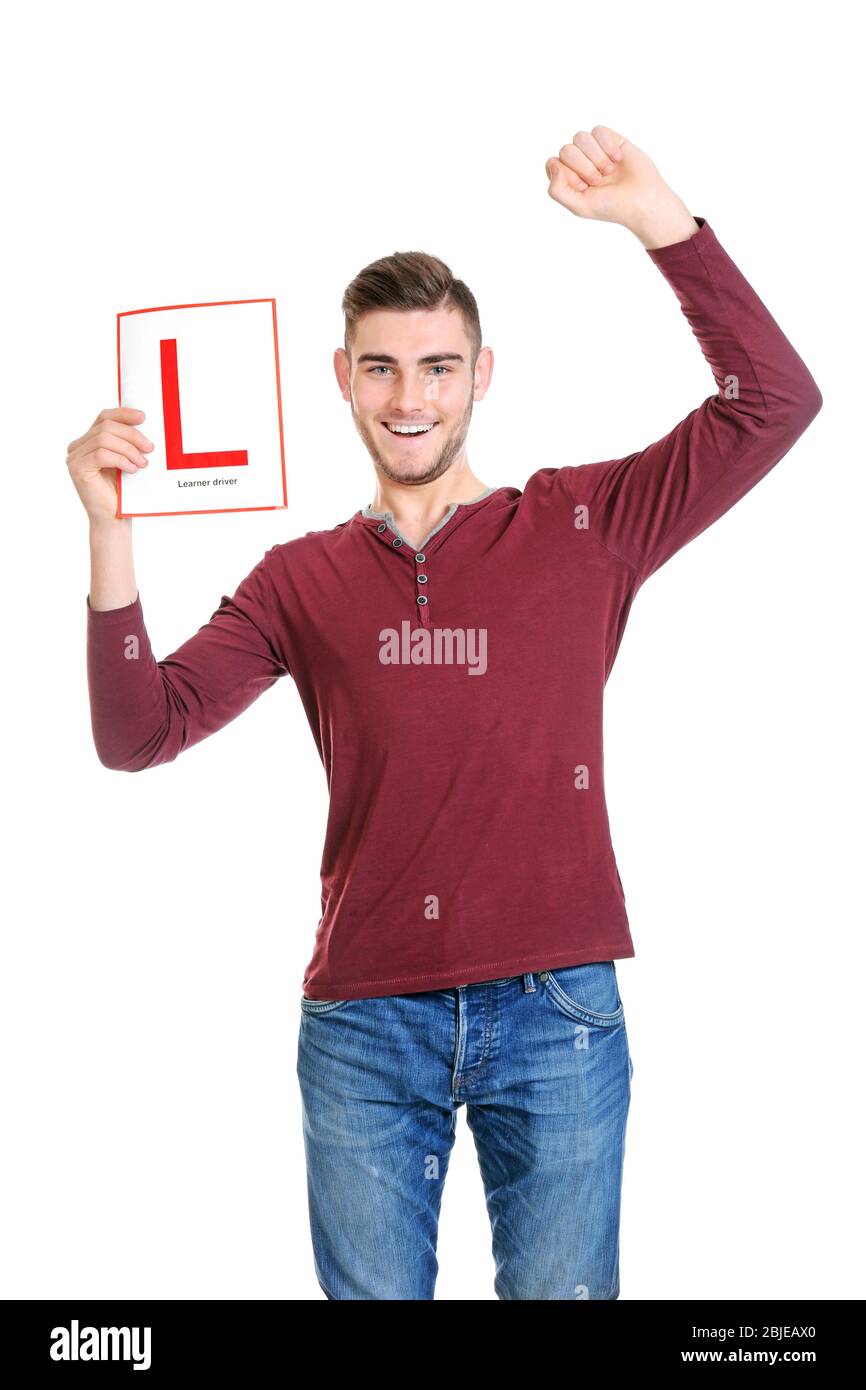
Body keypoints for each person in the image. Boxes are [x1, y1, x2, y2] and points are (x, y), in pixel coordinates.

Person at [70, 125, 822, 1300]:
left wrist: (656, 217)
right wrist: (111, 530)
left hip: (558, 1008)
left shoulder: (585, 525)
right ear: (341, 378)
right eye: (379, 367)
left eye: (435, 367)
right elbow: (138, 730)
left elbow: (773, 401)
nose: (408, 397)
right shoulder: (297, 578)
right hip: (365, 1023)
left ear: (481, 375)